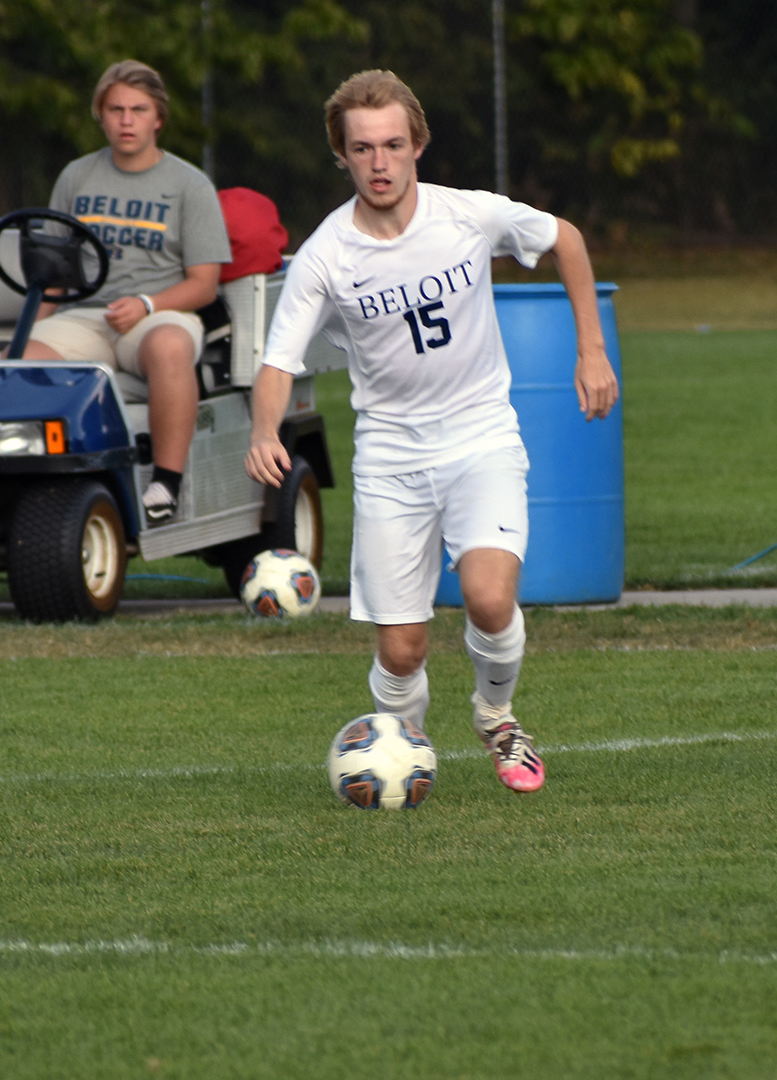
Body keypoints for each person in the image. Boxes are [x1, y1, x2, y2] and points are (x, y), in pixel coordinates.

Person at [247, 70, 618, 794]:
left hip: (481, 436)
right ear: (342, 154)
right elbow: (277, 358)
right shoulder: (327, 254)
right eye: (362, 149)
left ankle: (496, 714)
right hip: (389, 455)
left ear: (417, 144)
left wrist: (592, 347)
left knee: (487, 596)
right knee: (402, 649)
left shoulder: (467, 216)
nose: (379, 162)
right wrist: (266, 430)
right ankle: (399, 751)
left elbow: (565, 240)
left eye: (392, 144)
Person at [21, 59, 230, 525]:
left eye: (138, 109)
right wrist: (27, 335)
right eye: (115, 109)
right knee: (23, 363)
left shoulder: (190, 185)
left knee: (171, 345)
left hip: (159, 313)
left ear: (158, 117)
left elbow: (203, 284)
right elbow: (54, 273)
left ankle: (166, 482)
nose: (127, 120)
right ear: (101, 115)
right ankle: (42, 479)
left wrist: (146, 306)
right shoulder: (76, 177)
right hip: (87, 315)